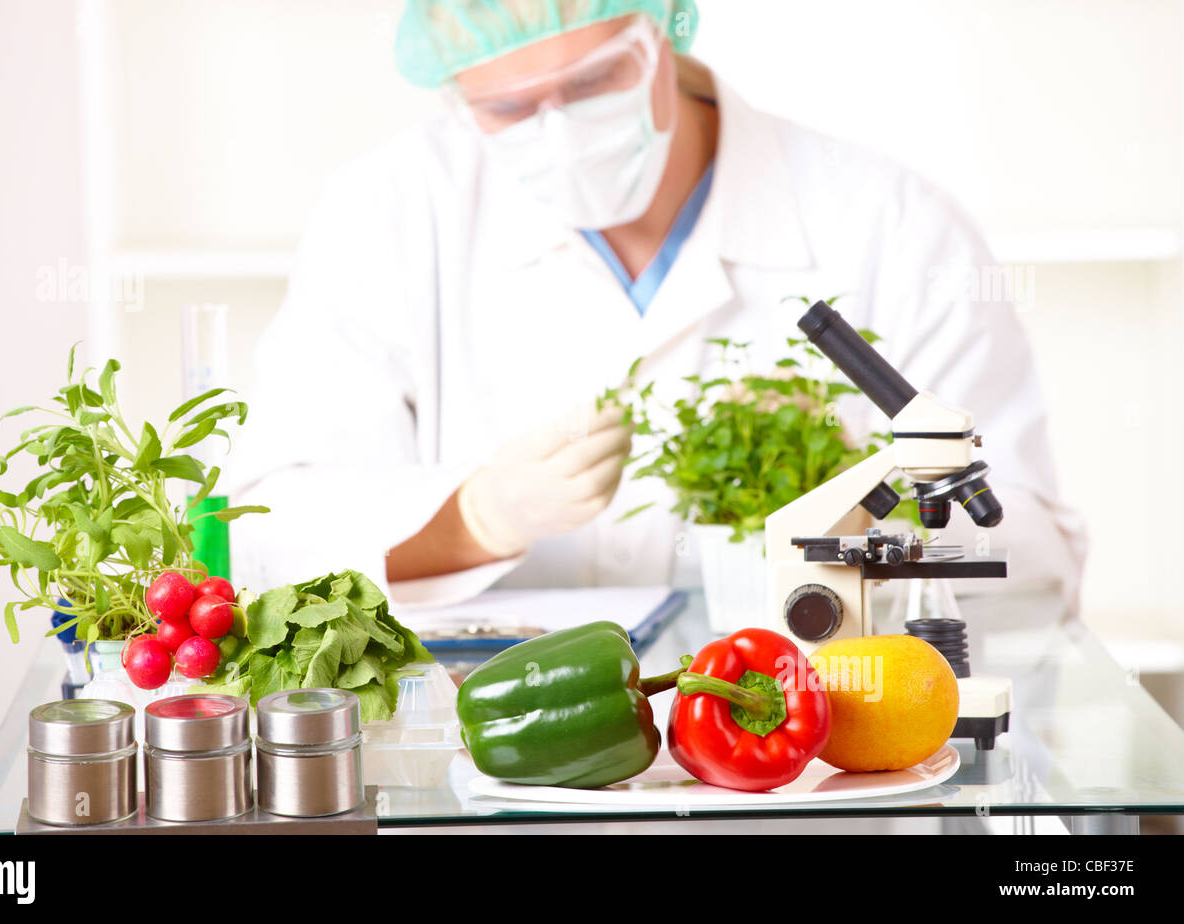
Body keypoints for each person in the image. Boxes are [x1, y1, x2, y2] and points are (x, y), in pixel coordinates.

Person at [228, 0, 1086, 616]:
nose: (559, 132)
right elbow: (266, 533)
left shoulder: (890, 224)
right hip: (484, 765)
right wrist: (475, 519)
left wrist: (860, 494)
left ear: (664, 25)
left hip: (815, 771)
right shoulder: (388, 215)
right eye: (508, 107)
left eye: (596, 78)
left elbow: (1039, 561)